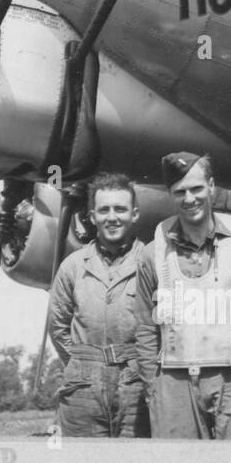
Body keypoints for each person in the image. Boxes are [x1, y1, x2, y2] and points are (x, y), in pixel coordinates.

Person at [132, 151, 231, 440]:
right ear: (170, 196)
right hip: (176, 378)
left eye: (197, 189)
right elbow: (145, 328)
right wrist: (154, 388)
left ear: (211, 186)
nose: (190, 199)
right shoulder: (152, 254)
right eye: (180, 192)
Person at [46, 172, 148, 437]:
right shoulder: (72, 266)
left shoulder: (152, 262)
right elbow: (57, 328)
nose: (112, 217)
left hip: (137, 384)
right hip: (82, 388)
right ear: (92, 217)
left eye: (120, 209)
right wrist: (84, 364)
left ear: (134, 214)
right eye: (104, 210)